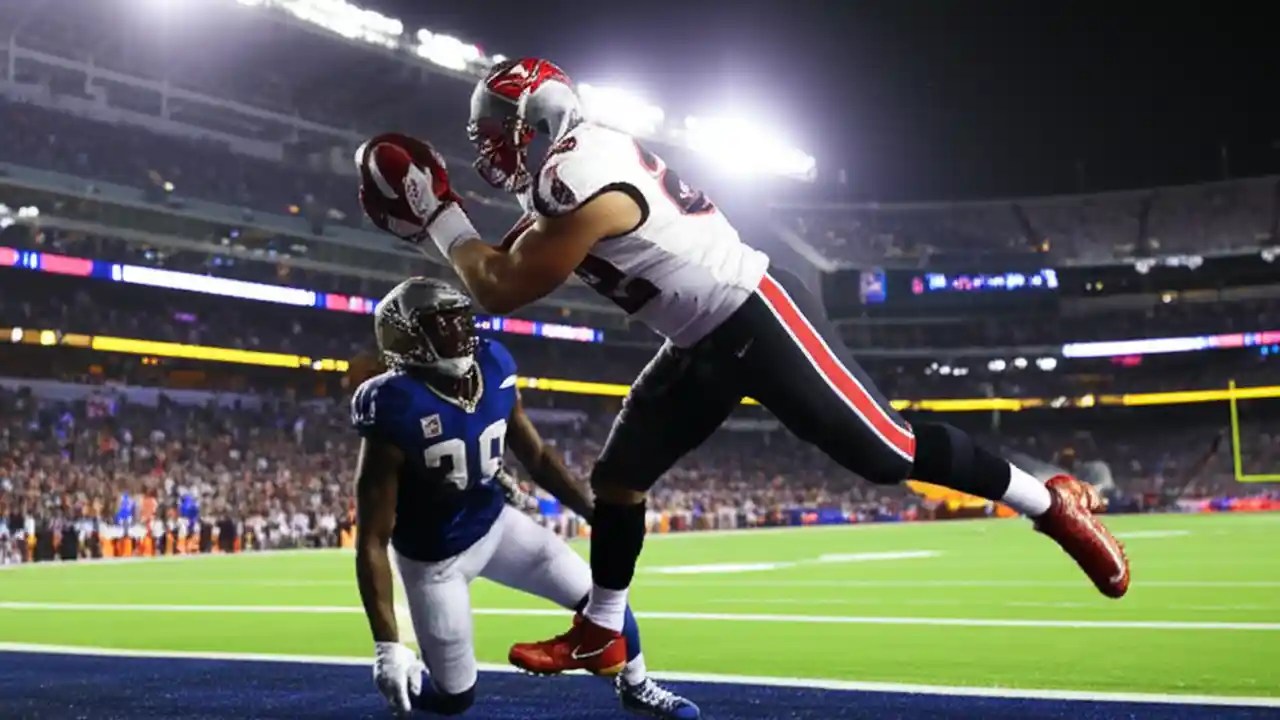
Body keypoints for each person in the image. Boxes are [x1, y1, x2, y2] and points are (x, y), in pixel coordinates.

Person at [353, 57, 1131, 678]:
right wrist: (443, 226)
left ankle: (1049, 502)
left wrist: (434, 217)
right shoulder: (562, 170)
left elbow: (502, 284)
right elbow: (502, 262)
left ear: (541, 123)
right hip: (700, 339)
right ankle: (603, 632)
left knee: (885, 452)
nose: (490, 143)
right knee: (620, 479)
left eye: (500, 127)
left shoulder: (577, 176)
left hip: (752, 313)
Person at [351, 277, 699, 718]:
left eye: (461, 319)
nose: (460, 333)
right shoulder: (393, 403)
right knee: (455, 699)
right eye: (442, 325)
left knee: (603, 594)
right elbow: (371, 540)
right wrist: (387, 644)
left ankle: (636, 684)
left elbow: (535, 455)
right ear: (408, 337)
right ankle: (409, 684)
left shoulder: (493, 363)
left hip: (495, 525)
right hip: (433, 561)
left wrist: (597, 513)